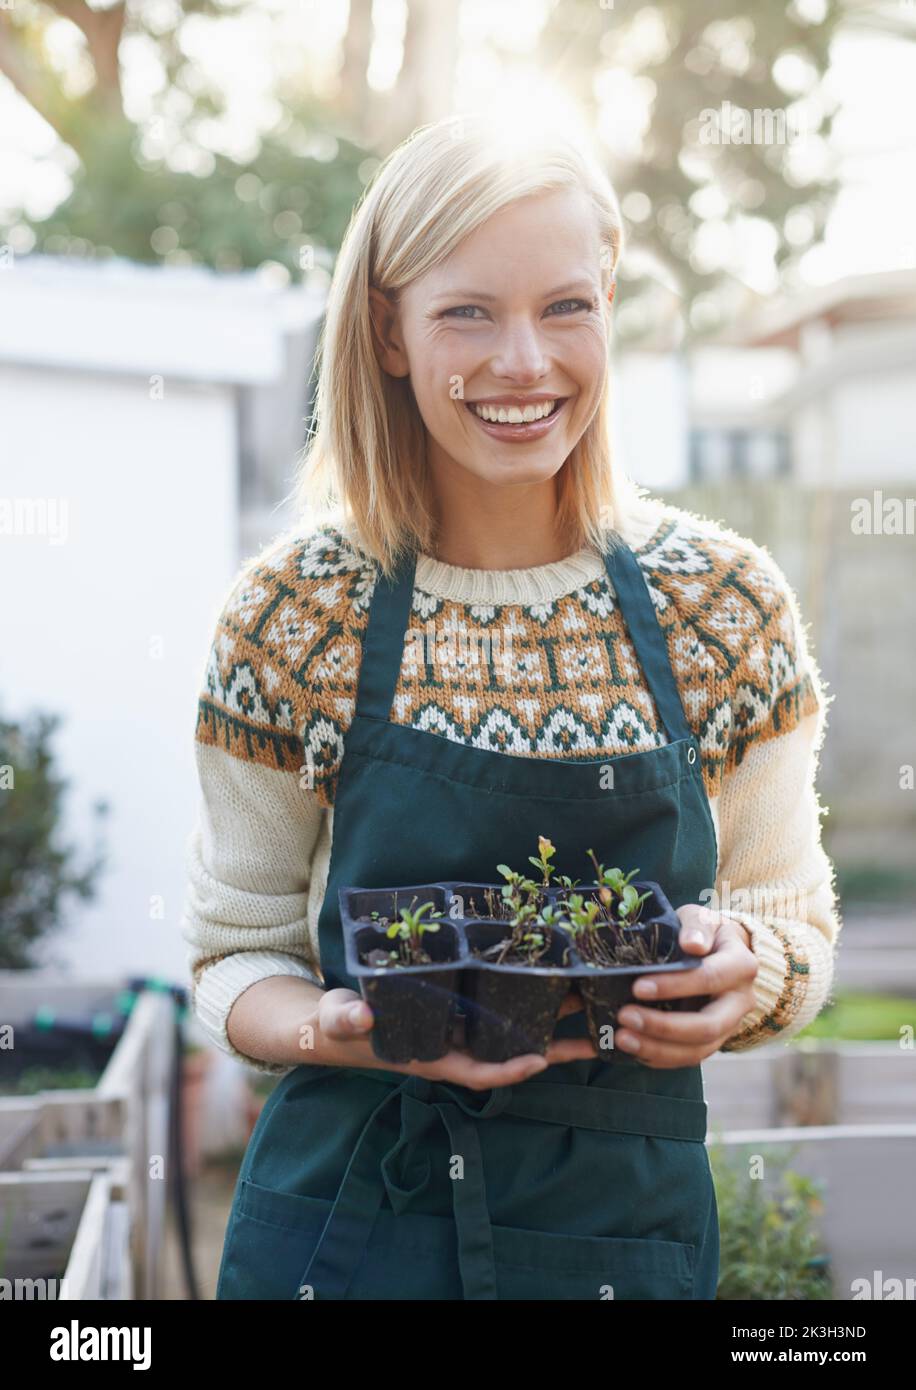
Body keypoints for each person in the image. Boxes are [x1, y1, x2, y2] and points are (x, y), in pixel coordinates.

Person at [181, 111, 840, 1301]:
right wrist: (336, 1026)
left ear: (608, 303)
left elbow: (789, 917)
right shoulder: (292, 614)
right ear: (387, 330)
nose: (524, 362)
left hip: (618, 1241)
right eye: (467, 311)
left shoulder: (723, 607)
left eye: (565, 306)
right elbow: (234, 953)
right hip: (345, 1222)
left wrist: (749, 976)